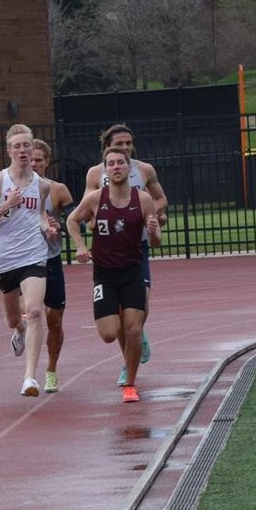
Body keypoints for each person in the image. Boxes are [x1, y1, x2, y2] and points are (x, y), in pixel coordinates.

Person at [67, 147, 161, 403]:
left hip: (132, 272)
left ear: (129, 168)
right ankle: (119, 315)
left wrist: (154, 231)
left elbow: (156, 243)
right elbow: (72, 221)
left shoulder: (143, 200)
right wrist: (81, 246)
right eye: (111, 163)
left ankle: (130, 384)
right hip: (105, 275)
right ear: (106, 170)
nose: (116, 166)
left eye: (121, 162)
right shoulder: (95, 199)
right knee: (109, 334)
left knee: (134, 330)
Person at [0, 124, 56, 397]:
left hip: (33, 254)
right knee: (13, 319)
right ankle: (19, 330)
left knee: (34, 311)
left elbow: (40, 215)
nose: (23, 150)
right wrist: (6, 205)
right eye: (17, 146)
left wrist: (47, 228)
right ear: (9, 150)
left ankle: (29, 378)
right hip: (4, 259)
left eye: (27, 145)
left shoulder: (42, 185)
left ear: (33, 149)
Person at [84, 125, 167, 379]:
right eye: (119, 144)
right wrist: (92, 222)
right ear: (107, 147)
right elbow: (88, 208)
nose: (125, 148)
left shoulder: (144, 170)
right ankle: (126, 363)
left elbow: (161, 199)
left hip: (136, 246)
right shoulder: (96, 173)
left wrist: (150, 215)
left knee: (142, 306)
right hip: (110, 251)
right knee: (118, 317)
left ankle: (137, 333)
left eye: (129, 143)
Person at [30, 139, 75, 393]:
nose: (34, 164)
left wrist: (60, 226)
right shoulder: (11, 190)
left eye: (39, 160)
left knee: (54, 320)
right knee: (31, 312)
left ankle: (51, 369)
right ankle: (20, 329)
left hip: (51, 258)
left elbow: (75, 221)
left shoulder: (58, 190)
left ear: (47, 162)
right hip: (24, 260)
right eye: (30, 159)